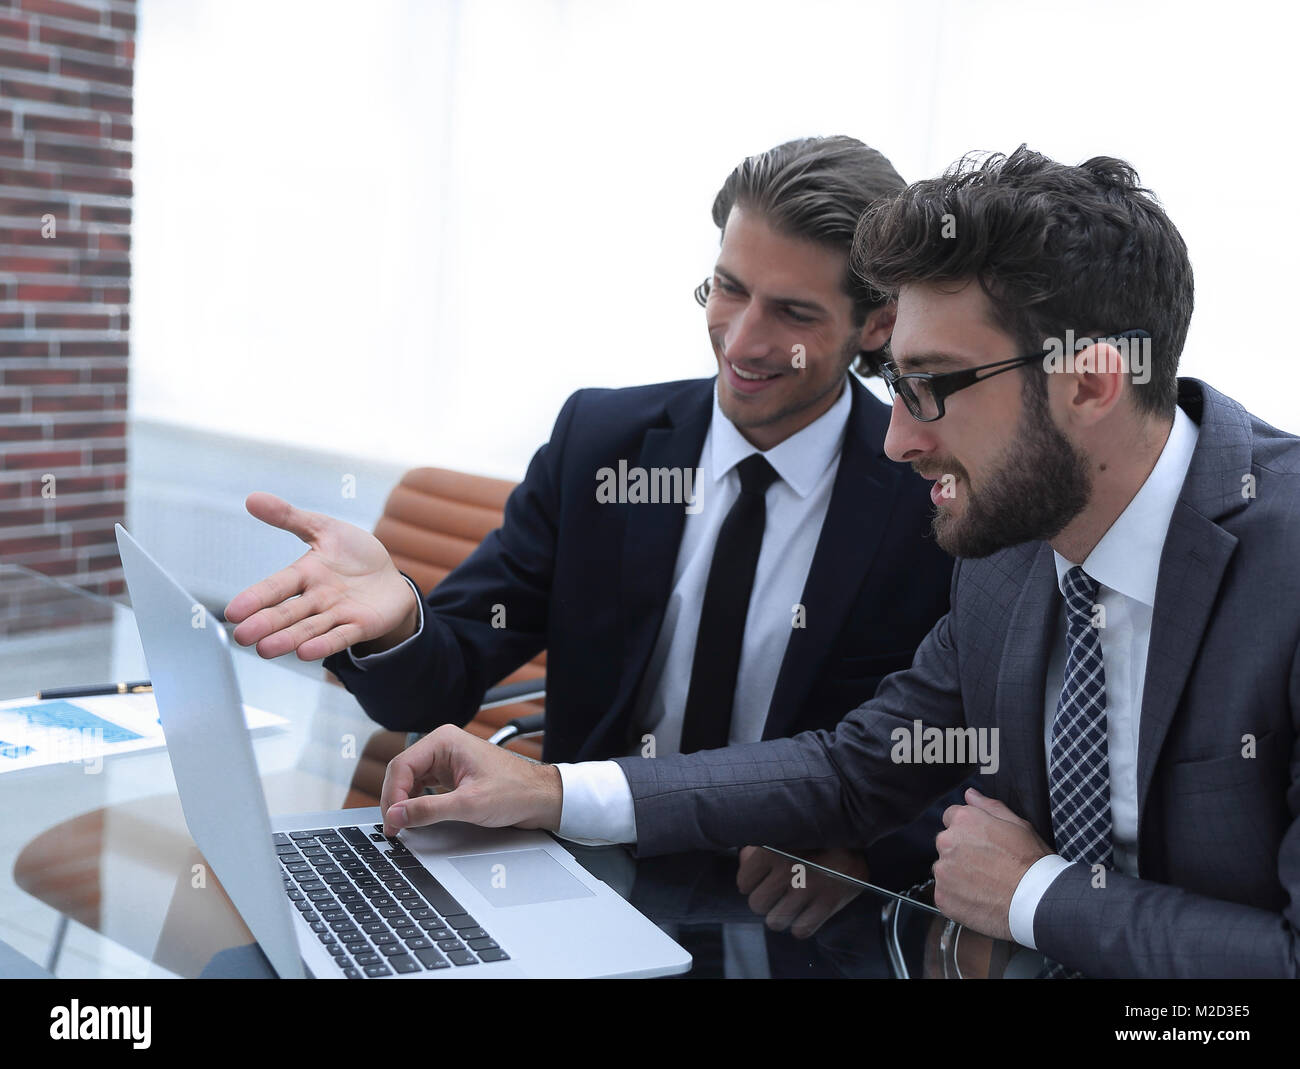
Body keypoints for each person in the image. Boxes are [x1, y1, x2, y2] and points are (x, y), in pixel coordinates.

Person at [374, 146, 1300, 979]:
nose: (896, 438)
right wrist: (549, 789)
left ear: (1090, 384)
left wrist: (1032, 895)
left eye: (930, 387)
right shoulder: (1015, 546)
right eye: (895, 385)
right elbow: (854, 769)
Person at [225, 136, 958, 937]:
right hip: (577, 876)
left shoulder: (931, 489)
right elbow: (441, 680)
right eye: (728, 289)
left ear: (878, 322)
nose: (742, 341)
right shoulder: (602, 441)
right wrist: (400, 619)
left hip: (786, 922)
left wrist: (867, 849)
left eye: (792, 313)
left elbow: (970, 743)